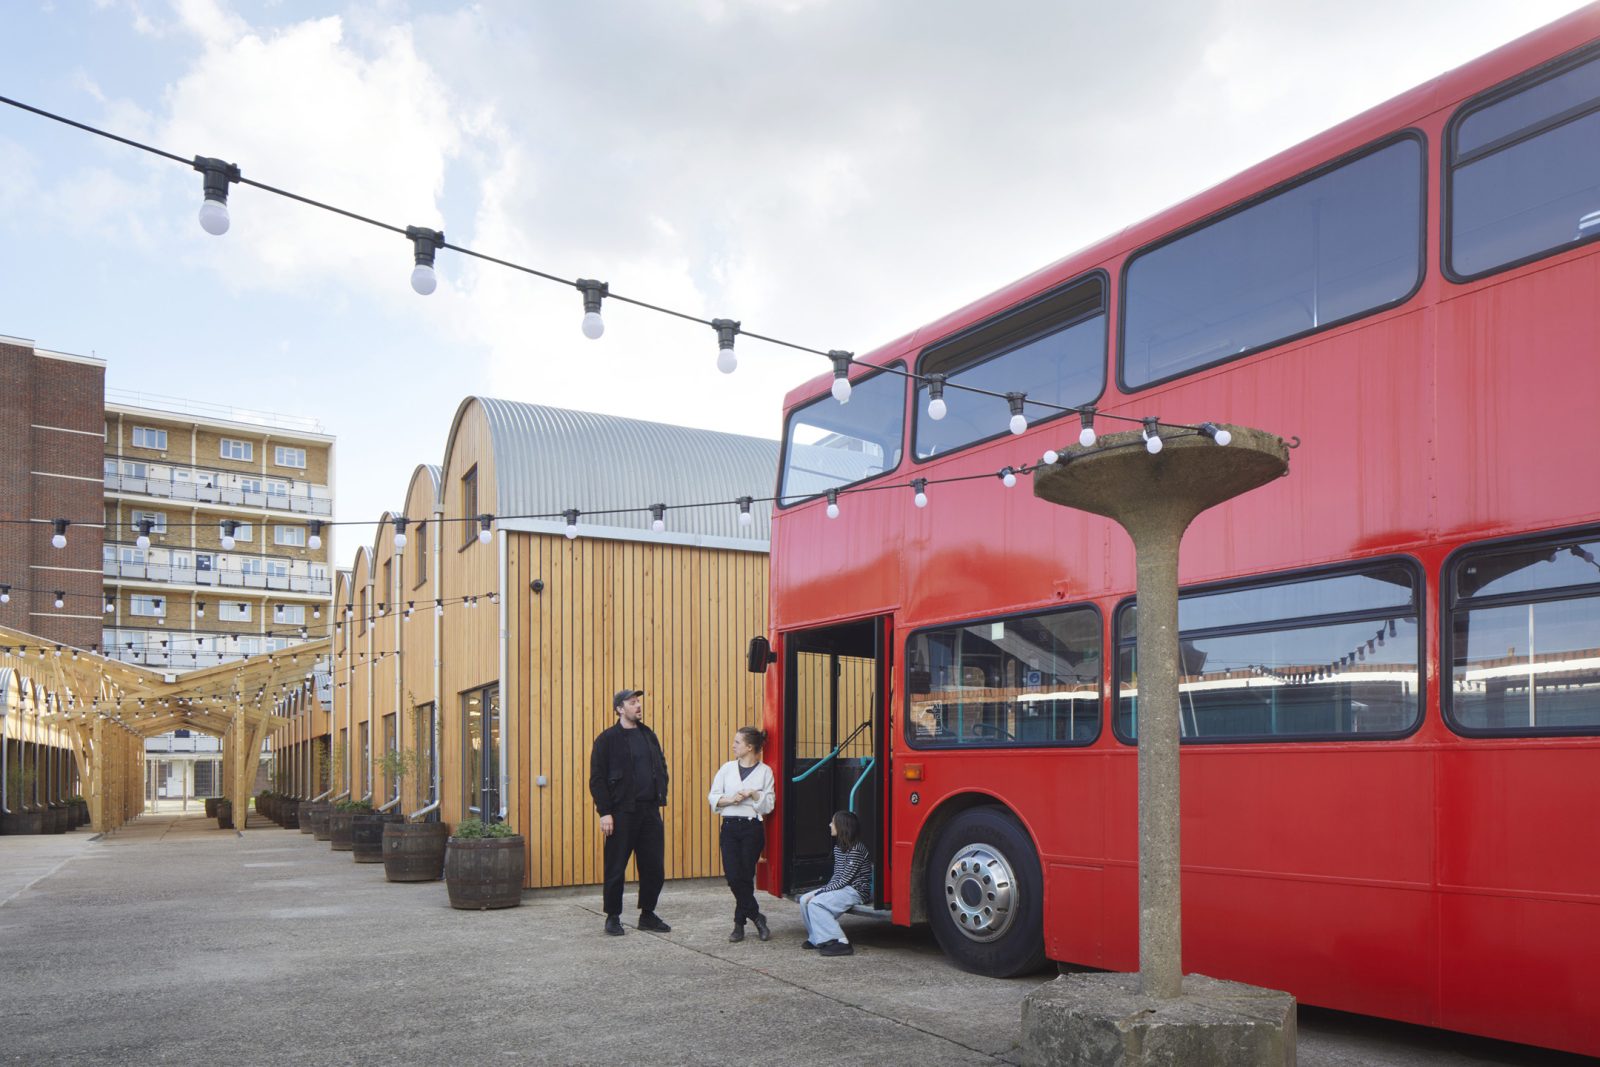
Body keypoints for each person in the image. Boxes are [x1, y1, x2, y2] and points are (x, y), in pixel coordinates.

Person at [588, 688, 671, 936]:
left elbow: (661, 766)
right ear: (619, 709)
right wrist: (605, 812)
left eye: (638, 702)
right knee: (615, 867)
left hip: (649, 811)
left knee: (653, 867)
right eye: (632, 702)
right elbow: (597, 779)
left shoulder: (648, 735)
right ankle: (613, 917)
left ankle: (647, 914)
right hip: (621, 813)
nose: (638, 706)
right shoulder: (606, 739)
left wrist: (661, 789)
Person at [706, 726, 775, 943]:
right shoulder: (727, 769)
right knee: (733, 876)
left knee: (744, 877)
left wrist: (755, 794)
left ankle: (739, 925)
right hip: (729, 827)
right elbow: (713, 797)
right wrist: (731, 800)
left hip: (751, 828)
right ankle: (756, 916)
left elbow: (769, 805)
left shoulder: (765, 772)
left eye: (737, 742)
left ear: (749, 747)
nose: (733, 745)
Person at [798, 810, 872, 957]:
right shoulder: (838, 848)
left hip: (856, 891)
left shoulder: (857, 849)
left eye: (833, 822)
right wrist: (825, 890)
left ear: (842, 826)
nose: (830, 825)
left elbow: (846, 879)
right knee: (804, 900)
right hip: (843, 888)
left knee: (817, 903)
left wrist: (822, 892)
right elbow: (837, 875)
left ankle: (840, 942)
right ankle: (816, 939)